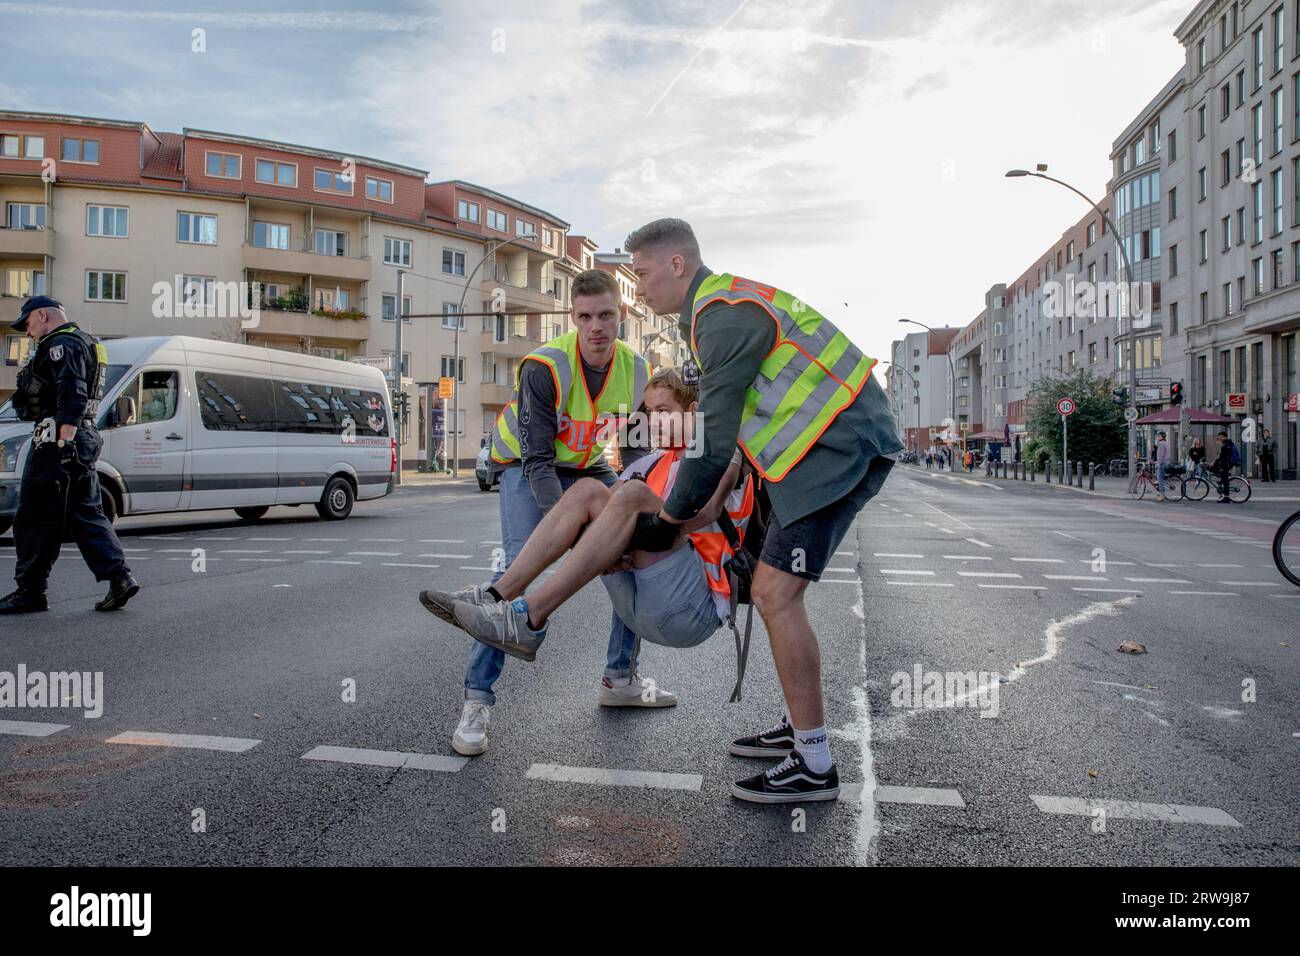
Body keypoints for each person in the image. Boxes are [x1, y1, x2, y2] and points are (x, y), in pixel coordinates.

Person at [622, 218, 902, 804]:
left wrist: (669, 520)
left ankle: (814, 763)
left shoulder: (720, 315)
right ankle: (800, 731)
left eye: (642, 273)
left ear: (677, 265)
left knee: (776, 594)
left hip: (838, 447)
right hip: (810, 453)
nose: (639, 287)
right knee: (775, 594)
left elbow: (714, 439)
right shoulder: (715, 313)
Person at [418, 269, 666, 758]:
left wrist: (626, 518)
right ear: (573, 318)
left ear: (622, 317)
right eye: (585, 317)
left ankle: (620, 678)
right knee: (520, 570)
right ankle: (476, 704)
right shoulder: (544, 366)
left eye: (607, 315)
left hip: (591, 466)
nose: (596, 326)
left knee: (634, 553)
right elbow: (536, 460)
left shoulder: (637, 370)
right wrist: (577, 536)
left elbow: (637, 453)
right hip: (527, 468)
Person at [441, 368, 752, 663]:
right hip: (638, 603)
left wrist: (646, 534)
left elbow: (709, 508)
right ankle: (496, 595)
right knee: (589, 491)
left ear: (692, 410)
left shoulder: (719, 453)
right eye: (650, 413)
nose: (654, 422)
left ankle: (529, 616)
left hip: (690, 607)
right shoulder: (652, 464)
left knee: (632, 494)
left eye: (664, 412)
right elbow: (606, 512)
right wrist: (616, 541)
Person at [0, 296, 139, 615]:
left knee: (35, 518)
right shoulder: (90, 343)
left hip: (58, 440)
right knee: (86, 512)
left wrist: (63, 442)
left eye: (28, 324)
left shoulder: (60, 344)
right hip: (84, 436)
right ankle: (119, 577)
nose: (27, 333)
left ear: (42, 315)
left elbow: (71, 393)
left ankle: (31, 592)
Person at [1214, 429, 1236, 503]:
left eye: (1220, 437)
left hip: (1225, 465)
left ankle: (1226, 497)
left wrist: (1221, 445)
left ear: (1223, 437)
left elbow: (1222, 455)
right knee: (1223, 479)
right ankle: (1221, 489)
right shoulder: (1228, 443)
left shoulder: (1226, 444)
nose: (1219, 439)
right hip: (1226, 464)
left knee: (1225, 481)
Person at [1154, 430, 1169, 501]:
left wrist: (1158, 463)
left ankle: (1161, 495)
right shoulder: (1164, 443)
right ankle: (1161, 493)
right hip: (1164, 462)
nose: (1157, 437)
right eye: (1157, 436)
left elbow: (1161, 455)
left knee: (1160, 479)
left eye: (1159, 436)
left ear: (1162, 437)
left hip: (1162, 463)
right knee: (1161, 478)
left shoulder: (1162, 443)